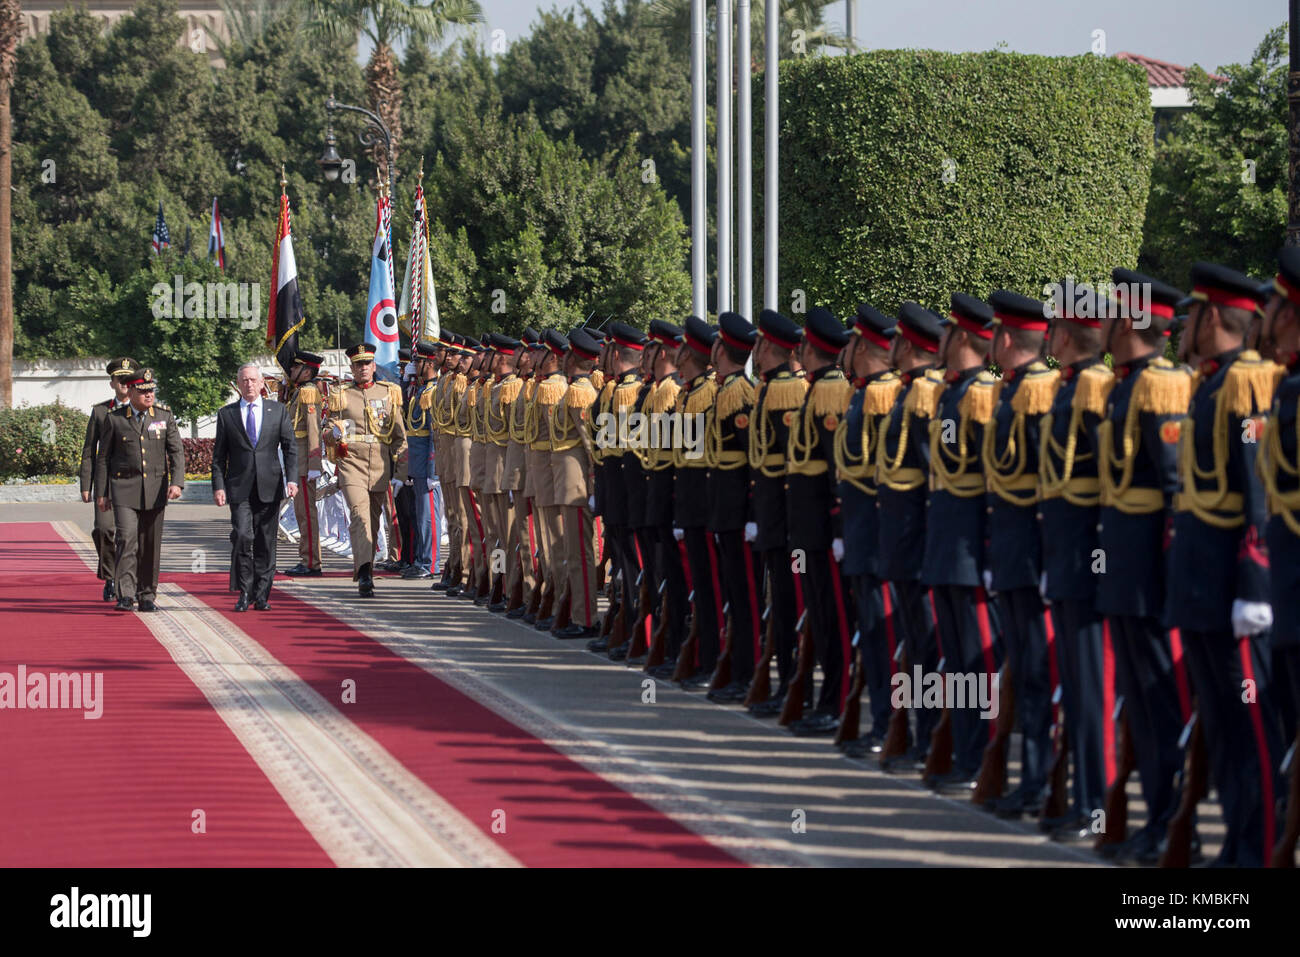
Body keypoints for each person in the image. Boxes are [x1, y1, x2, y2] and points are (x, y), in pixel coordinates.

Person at [1165, 262, 1284, 867]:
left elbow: (1257, 493)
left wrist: (1254, 585)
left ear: (1213, 318)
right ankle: (1239, 843)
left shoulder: (1245, 385)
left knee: (1251, 731)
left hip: (1233, 589)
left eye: (1190, 316)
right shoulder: (1211, 383)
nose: (1181, 328)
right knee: (1222, 725)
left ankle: (1261, 851)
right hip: (1200, 584)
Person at [784, 307, 855, 735]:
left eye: (804, 345)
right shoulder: (815, 390)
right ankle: (823, 697)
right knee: (818, 615)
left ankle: (838, 700)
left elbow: (837, 470)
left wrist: (840, 527)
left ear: (813, 348)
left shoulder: (829, 393)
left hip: (822, 529)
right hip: (806, 528)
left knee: (834, 619)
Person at [834, 303, 902, 751]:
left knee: (886, 635)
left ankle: (892, 725)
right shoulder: (863, 393)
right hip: (860, 530)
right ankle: (881, 723)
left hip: (880, 533)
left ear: (863, 346)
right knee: (873, 636)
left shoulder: (883, 395)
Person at [93, 368, 185, 612]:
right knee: (127, 539)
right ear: (131, 391)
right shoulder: (115, 419)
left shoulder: (164, 417)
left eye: (151, 390)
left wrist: (177, 482)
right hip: (124, 489)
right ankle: (125, 594)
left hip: (155, 490)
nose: (149, 395)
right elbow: (103, 458)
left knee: (151, 545)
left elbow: (176, 451)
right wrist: (101, 494)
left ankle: (147, 595)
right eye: (143, 391)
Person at [323, 342, 408, 597]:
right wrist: (333, 433)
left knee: (372, 521)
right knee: (359, 516)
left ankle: (367, 568)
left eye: (367, 364)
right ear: (351, 367)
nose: (363, 368)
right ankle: (363, 573)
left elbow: (399, 437)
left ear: (374, 366)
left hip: (380, 466)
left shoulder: (388, 392)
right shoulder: (340, 393)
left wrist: (401, 474)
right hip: (351, 463)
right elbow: (327, 432)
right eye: (358, 364)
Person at [212, 362, 299, 611]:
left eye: (253, 380)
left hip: (269, 486)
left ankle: (262, 594)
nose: (248, 384)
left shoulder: (277, 411)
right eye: (244, 380)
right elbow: (219, 456)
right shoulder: (227, 414)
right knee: (242, 536)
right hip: (239, 488)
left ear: (262, 383)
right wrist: (218, 486)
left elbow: (290, 447)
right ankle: (244, 591)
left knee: (265, 540)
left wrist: (291, 479)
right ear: (238, 385)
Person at [706, 311, 761, 702]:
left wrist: (752, 514)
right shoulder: (725, 391)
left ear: (722, 348)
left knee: (745, 597)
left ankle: (748, 673)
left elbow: (751, 459)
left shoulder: (741, 393)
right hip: (722, 506)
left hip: (738, 509)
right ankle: (735, 667)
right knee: (732, 593)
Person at [80, 356, 139, 600]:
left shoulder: (143, 409)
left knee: (130, 535)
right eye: (119, 379)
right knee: (103, 530)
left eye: (128, 378)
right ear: (112, 383)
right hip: (106, 483)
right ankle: (110, 575)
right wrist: (86, 484)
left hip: (135, 482)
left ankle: (126, 582)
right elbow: (88, 451)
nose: (124, 383)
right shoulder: (100, 411)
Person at [279, 350, 326, 576]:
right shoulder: (298, 393)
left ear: (307, 371)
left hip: (305, 463)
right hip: (297, 462)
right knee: (301, 514)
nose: (291, 371)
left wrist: (315, 464)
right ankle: (307, 558)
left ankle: (311, 562)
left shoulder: (308, 393)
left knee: (307, 514)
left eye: (295, 368)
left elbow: (313, 430)